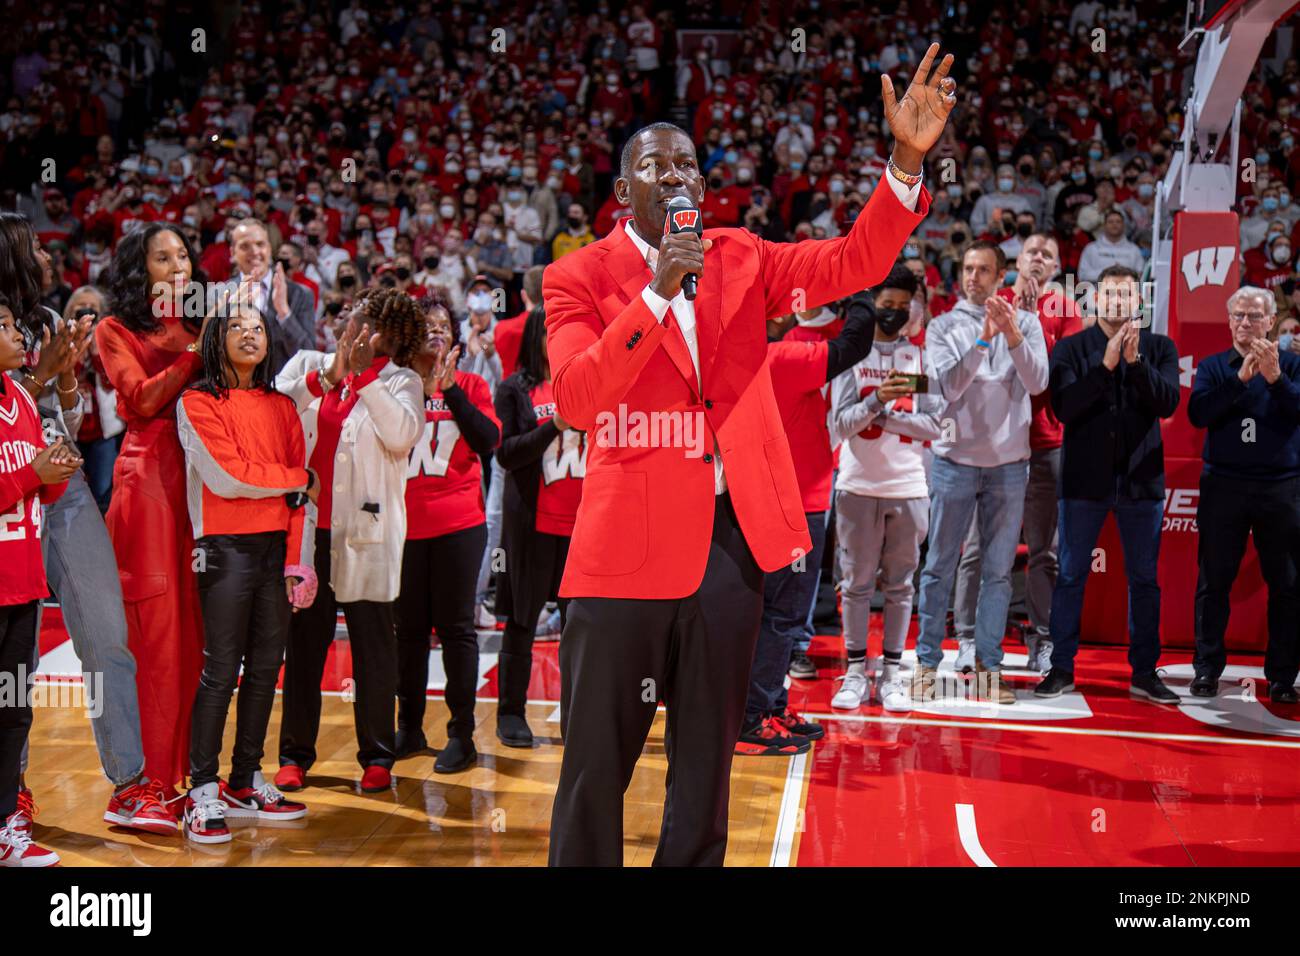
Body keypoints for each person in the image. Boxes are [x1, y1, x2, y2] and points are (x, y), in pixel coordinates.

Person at [543, 45, 955, 866]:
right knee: (596, 773)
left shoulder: (743, 255)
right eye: (658, 167)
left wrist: (905, 161)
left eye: (690, 166)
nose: (679, 178)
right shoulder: (578, 277)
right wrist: (659, 290)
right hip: (622, 555)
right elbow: (582, 400)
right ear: (624, 193)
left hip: (729, 550)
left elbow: (851, 264)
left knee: (706, 770)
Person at [0, 215, 173, 838]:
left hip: (64, 487)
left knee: (105, 634)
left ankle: (128, 785)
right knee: (11, 659)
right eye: (33, 245)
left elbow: (68, 419)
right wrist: (40, 377)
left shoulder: (45, 320)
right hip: (10, 493)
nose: (46, 253)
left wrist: (67, 380)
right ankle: (8, 795)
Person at [274, 288, 424, 794]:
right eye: (346, 319)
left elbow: (401, 435)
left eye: (362, 324)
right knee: (304, 648)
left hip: (369, 536)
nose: (350, 329)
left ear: (387, 336)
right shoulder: (309, 364)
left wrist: (363, 379)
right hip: (307, 534)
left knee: (374, 650)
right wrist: (332, 376)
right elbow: (272, 406)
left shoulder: (402, 381)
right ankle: (294, 754)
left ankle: (378, 756)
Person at [176, 303, 314, 843]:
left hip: (273, 549)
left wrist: (298, 561)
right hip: (222, 547)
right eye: (237, 327)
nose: (250, 335)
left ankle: (245, 779)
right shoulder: (196, 401)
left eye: (258, 327)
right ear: (215, 338)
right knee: (220, 669)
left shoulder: (282, 406)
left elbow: (302, 494)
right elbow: (227, 474)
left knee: (264, 668)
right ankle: (202, 789)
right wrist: (294, 477)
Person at [97, 222, 213, 809]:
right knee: (156, 633)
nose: (179, 267)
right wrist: (197, 352)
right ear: (139, 270)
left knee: (200, 634)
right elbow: (141, 398)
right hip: (149, 487)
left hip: (208, 483)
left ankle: (201, 776)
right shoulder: (115, 329)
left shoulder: (203, 323)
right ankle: (147, 783)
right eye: (163, 258)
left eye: (184, 256)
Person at [737, 290, 877, 754]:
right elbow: (854, 344)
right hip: (794, 499)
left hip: (786, 494)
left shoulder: (759, 356)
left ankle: (770, 704)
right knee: (783, 614)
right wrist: (861, 293)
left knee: (779, 613)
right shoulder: (781, 357)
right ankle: (754, 717)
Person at [1035, 266, 1181, 702]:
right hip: (1083, 483)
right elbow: (1065, 409)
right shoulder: (1071, 349)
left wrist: (1134, 365)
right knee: (1072, 576)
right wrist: (1105, 367)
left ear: (1139, 302)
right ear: (1096, 298)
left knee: (1145, 580)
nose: (1118, 301)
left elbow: (1167, 402)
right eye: (1111, 293)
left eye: (1127, 294)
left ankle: (1144, 671)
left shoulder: (1159, 347)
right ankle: (1061, 667)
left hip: (1142, 483)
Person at [913, 241, 1048, 706]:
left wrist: (1009, 334)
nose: (973, 277)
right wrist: (984, 339)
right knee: (938, 568)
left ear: (1001, 276)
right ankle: (927, 665)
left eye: (983, 269)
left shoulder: (1026, 324)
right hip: (954, 462)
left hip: (1010, 466)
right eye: (968, 268)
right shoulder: (943, 326)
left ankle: (990, 668)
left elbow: (1037, 383)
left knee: (997, 573)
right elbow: (947, 388)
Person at [951, 233, 1083, 673]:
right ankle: (969, 636)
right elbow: (977, 365)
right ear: (1017, 262)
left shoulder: (1066, 308)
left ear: (1058, 264)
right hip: (992, 443)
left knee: (1044, 550)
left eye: (1049, 254)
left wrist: (1024, 323)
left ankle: (1040, 639)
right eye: (1033, 252)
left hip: (1046, 443)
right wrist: (1014, 318)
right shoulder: (995, 298)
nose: (1040, 259)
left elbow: (1053, 374)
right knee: (979, 547)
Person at [831, 266, 945, 712]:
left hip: (909, 487)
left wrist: (880, 415)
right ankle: (856, 671)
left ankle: (893, 674)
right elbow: (840, 425)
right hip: (858, 486)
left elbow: (934, 424)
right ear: (871, 305)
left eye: (903, 306)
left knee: (900, 587)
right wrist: (879, 400)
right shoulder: (851, 356)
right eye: (887, 305)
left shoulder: (921, 359)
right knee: (856, 584)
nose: (895, 313)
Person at [396, 296, 500, 772]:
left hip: (460, 525)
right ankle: (409, 727)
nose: (436, 332)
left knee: (457, 630)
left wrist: (452, 390)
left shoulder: (473, 384)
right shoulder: (394, 384)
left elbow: (488, 440)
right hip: (403, 527)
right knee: (410, 633)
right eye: (426, 325)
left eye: (443, 325)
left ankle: (462, 735)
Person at [1188, 286, 1300, 704]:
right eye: (1238, 315)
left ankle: (1283, 677)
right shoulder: (1214, 367)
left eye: (1254, 316)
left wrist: (1275, 379)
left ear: (1271, 321)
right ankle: (1206, 669)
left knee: (1287, 585)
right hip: (1224, 486)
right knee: (1213, 582)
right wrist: (1240, 380)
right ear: (1228, 320)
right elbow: (1199, 413)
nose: (1245, 323)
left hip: (1282, 487)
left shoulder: (1291, 365)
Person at [0, 294, 81, 867]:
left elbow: (36, 490)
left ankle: (7, 824)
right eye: (4, 326)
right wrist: (33, 472)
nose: (18, 334)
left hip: (24, 584)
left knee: (13, 714)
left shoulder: (25, 399)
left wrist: (53, 473)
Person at [494, 307, 585, 751]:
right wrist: (555, 425)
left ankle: (577, 715)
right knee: (522, 621)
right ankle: (510, 712)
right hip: (532, 525)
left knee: (579, 626)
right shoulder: (514, 389)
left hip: (582, 525)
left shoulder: (590, 381)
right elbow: (507, 453)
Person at [226, 219, 316, 373]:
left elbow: (309, 358)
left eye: (260, 244)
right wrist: (232, 315)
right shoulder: (217, 294)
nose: (254, 252)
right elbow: (213, 355)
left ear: (269, 248)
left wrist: (284, 313)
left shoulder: (300, 294)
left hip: (283, 390)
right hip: (236, 390)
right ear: (233, 252)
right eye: (245, 246)